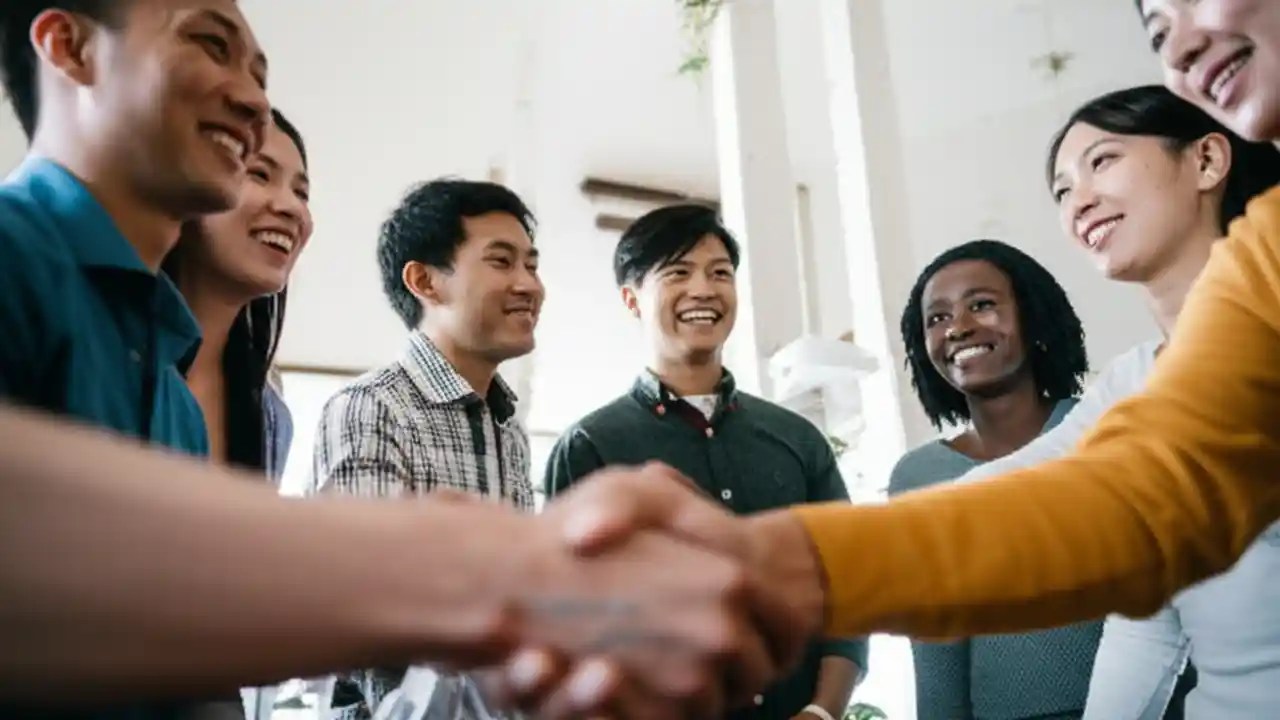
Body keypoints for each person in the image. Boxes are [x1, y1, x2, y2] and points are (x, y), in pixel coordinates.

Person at [521, 0, 1280, 670]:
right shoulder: (1228, 304)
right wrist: (763, 560)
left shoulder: (794, 440)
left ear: (1208, 159)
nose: (1178, 45)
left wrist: (765, 565)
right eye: (1156, 28)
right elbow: (1130, 505)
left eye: (1103, 162)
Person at [947, 85, 1280, 720]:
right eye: (1063, 190)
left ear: (1207, 160)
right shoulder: (1130, 382)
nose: (1080, 201)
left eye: (1102, 162)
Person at [546, 204, 867, 720]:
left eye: (720, 274)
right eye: (678, 273)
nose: (703, 290)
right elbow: (573, 624)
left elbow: (847, 591)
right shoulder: (590, 446)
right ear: (632, 300)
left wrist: (821, 712)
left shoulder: (797, 439)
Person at [312, 178, 540, 716]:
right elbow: (363, 597)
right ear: (424, 281)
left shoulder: (510, 431)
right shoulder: (369, 408)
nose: (529, 283)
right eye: (502, 262)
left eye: (532, 264)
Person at [890, 239, 1099, 720]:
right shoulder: (919, 478)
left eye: (981, 305)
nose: (959, 327)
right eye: (937, 318)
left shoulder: (1108, 430)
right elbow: (937, 655)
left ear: (1033, 317)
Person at [164, 107, 311, 482]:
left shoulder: (271, 415)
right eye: (259, 174)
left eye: (301, 192)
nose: (291, 207)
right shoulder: (109, 354)